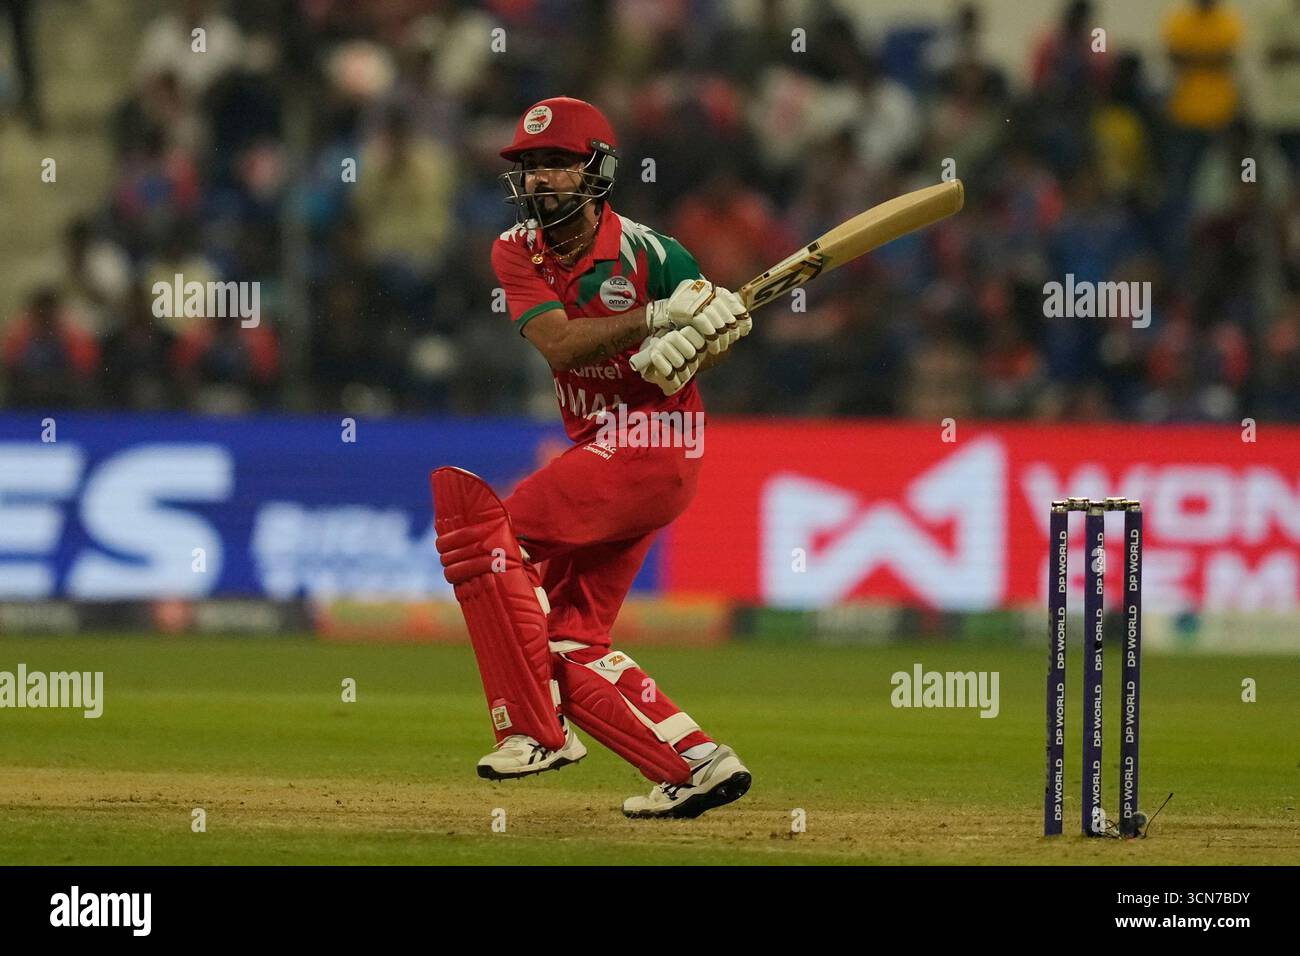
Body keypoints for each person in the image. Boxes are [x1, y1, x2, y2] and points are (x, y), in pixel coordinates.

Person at [431, 96, 753, 818]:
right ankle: (694, 762)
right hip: (603, 451)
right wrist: (658, 320)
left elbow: (712, 335)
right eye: (530, 166)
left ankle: (535, 730)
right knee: (566, 637)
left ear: (597, 171)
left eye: (556, 164)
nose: (540, 179)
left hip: (658, 447)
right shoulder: (516, 249)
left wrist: (703, 339)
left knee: (482, 534)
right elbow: (561, 343)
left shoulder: (657, 255)